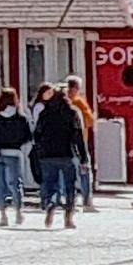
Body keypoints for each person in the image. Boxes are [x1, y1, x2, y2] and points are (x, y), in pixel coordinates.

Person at [34, 79, 89, 228]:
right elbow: (78, 136)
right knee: (70, 186)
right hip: (67, 154)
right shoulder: (72, 113)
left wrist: (40, 149)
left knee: (50, 184)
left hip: (47, 155)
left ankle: (51, 205)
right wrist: (83, 157)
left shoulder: (45, 113)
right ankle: (69, 217)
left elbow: (37, 134)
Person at [0, 86, 34, 226]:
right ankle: (18, 213)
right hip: (14, 153)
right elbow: (27, 136)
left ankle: (3, 215)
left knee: (0, 184)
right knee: (15, 183)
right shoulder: (21, 118)